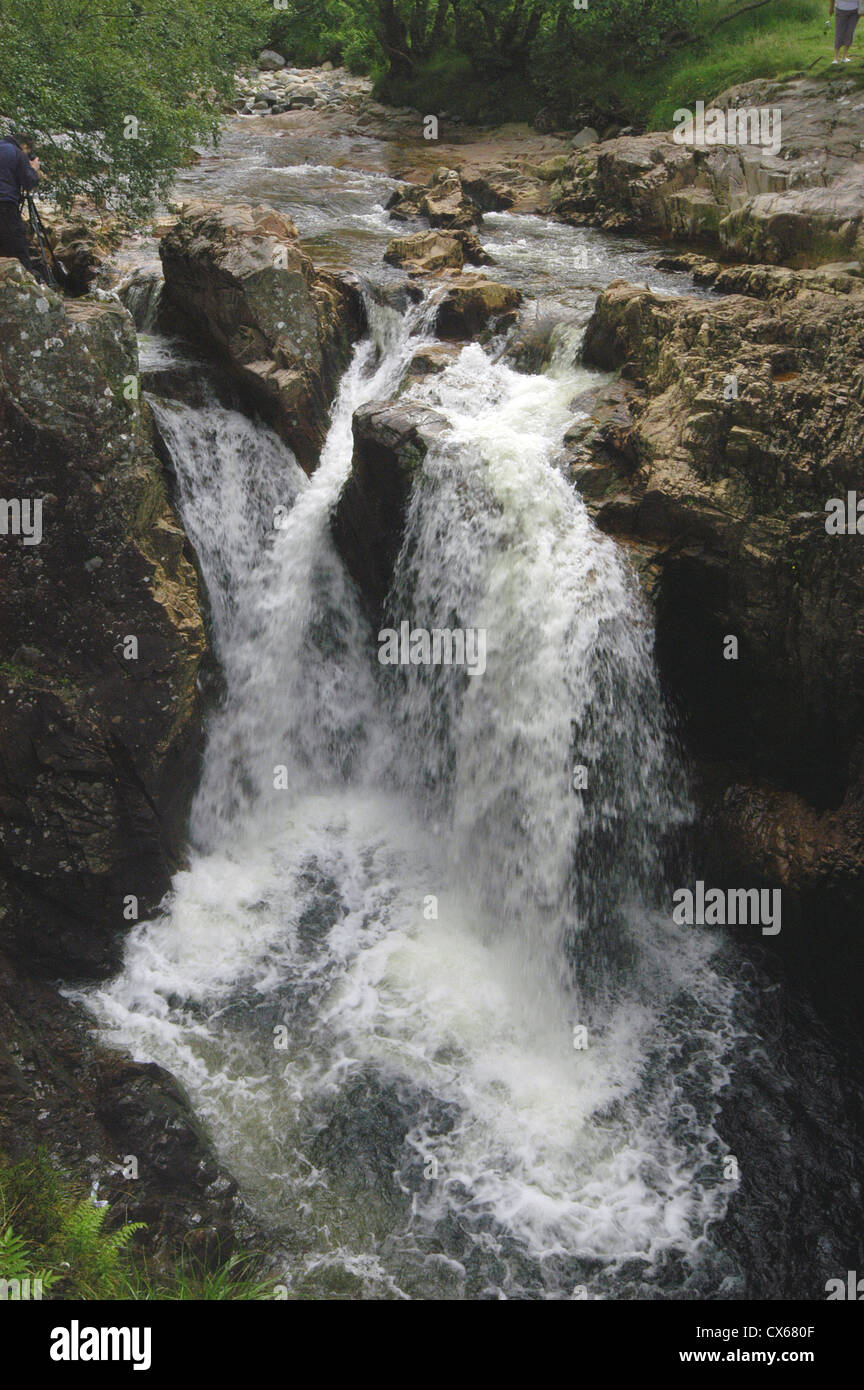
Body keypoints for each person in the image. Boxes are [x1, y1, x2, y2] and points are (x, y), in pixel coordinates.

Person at [0, 131, 41, 274]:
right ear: (24, 145)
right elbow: (29, 182)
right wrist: (33, 169)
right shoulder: (18, 153)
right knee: (17, 244)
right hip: (5, 205)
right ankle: (27, 281)